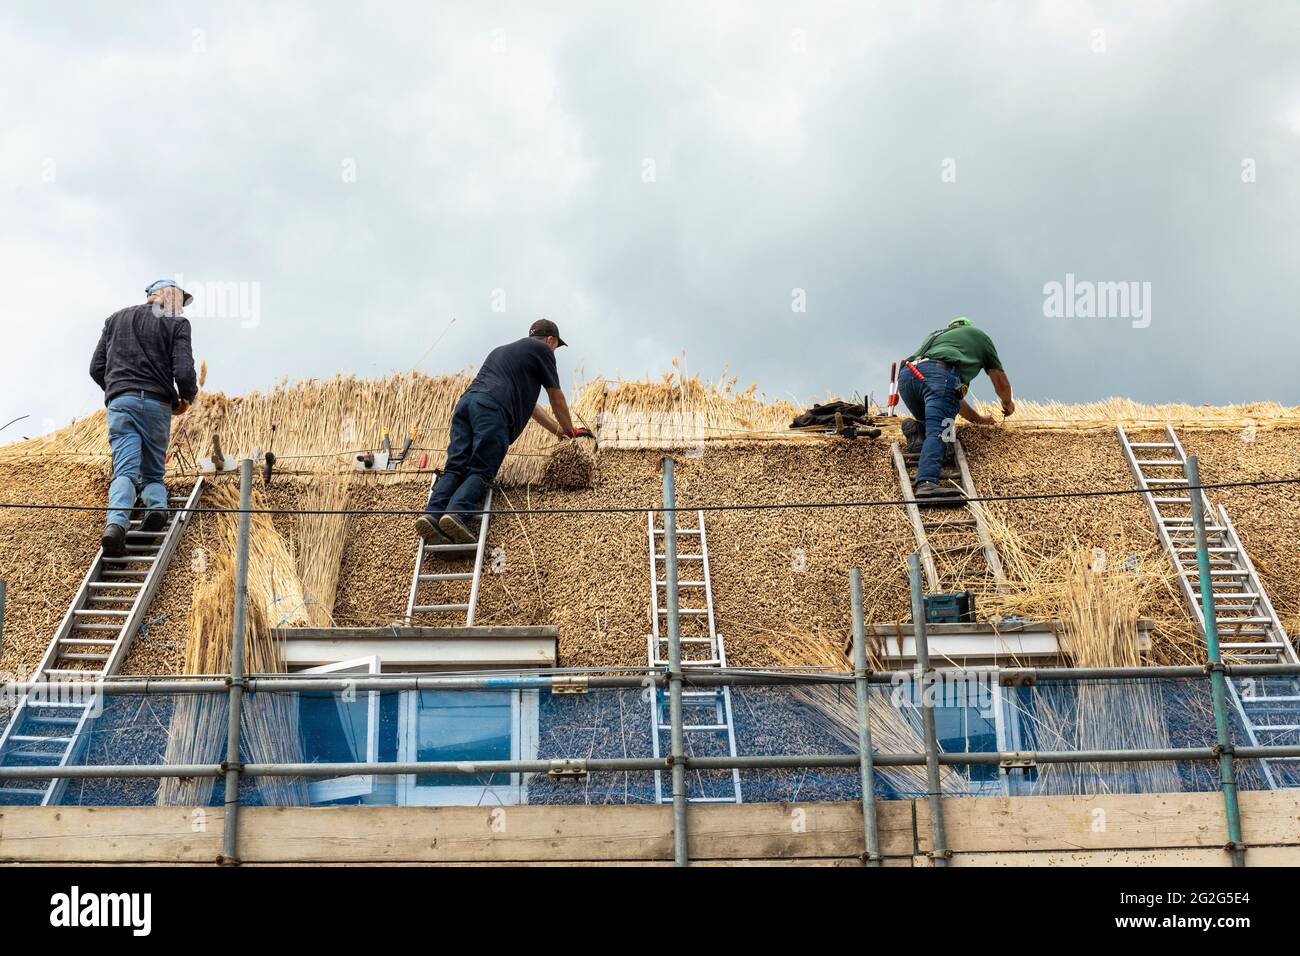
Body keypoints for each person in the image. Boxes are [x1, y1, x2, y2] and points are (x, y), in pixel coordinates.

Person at [416, 319, 590, 544]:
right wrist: (571, 431)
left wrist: (559, 432)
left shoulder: (503, 352)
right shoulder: (543, 351)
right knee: (481, 469)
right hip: (492, 412)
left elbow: (533, 409)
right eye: (556, 347)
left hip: (466, 405)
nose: (554, 352)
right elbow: (556, 397)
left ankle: (432, 513)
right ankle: (456, 514)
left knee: (456, 467)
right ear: (550, 340)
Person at [89, 279, 198, 556]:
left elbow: (96, 368)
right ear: (161, 295)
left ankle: (115, 525)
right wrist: (186, 399)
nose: (179, 307)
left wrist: (117, 389)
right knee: (152, 472)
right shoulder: (177, 325)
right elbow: (184, 372)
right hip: (156, 405)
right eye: (177, 299)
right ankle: (157, 509)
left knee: (124, 470)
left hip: (121, 404)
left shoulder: (115, 320)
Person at [896, 317, 1014, 499]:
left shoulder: (935, 335)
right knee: (940, 432)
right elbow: (999, 379)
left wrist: (979, 420)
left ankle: (918, 433)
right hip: (939, 376)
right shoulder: (978, 336)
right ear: (968, 328)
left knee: (934, 419)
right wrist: (1007, 403)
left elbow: (953, 399)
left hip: (908, 376)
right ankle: (927, 482)